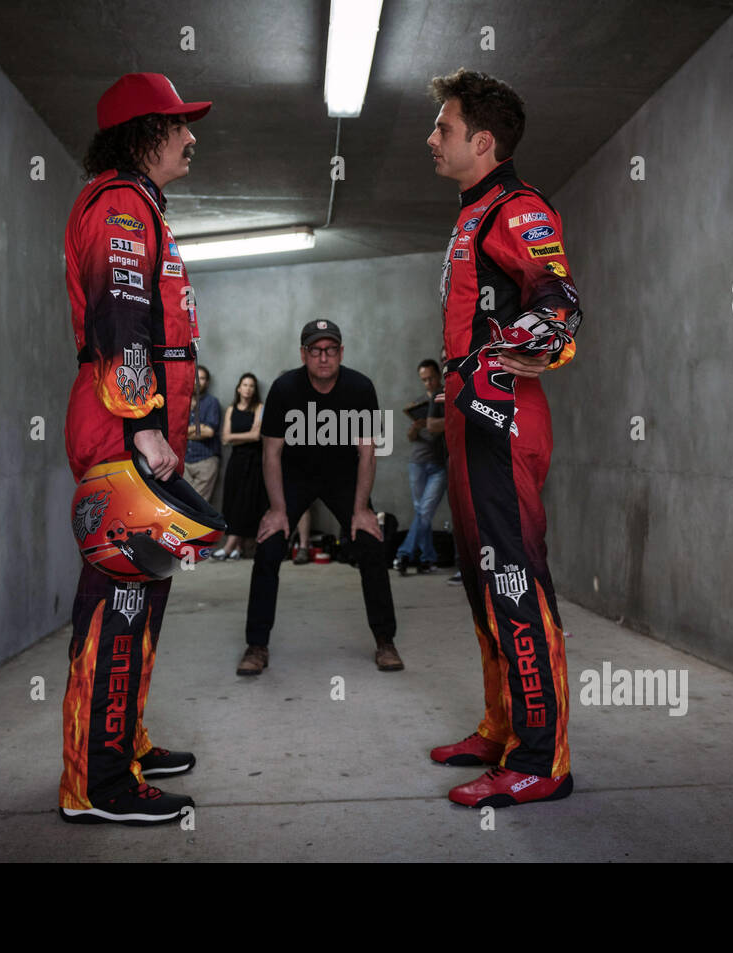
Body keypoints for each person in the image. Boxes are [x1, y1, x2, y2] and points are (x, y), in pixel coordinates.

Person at [425, 68, 584, 809]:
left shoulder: (518, 208)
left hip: (505, 414)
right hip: (467, 414)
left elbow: (557, 295)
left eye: (444, 128)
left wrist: (540, 334)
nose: (433, 139)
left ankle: (540, 758)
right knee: (483, 578)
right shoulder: (471, 211)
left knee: (517, 581)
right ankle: (501, 724)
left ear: (482, 142)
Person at [59, 72, 211, 825]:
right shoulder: (120, 204)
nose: (191, 138)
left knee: (141, 599)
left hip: (140, 429)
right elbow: (120, 314)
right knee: (117, 604)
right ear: (144, 132)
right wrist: (144, 425)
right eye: (179, 125)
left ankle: (124, 741)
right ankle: (99, 781)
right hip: (125, 429)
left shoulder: (143, 206)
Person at [237, 320, 401, 675]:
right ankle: (256, 644)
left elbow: (367, 452)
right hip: (296, 476)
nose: (323, 357)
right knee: (268, 544)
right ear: (303, 354)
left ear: (341, 352)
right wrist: (278, 510)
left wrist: (360, 510)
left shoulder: (359, 388)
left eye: (330, 350)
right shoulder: (284, 389)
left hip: (343, 476)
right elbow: (271, 454)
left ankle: (385, 641)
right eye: (316, 350)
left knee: (372, 541)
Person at [394, 359, 447, 575]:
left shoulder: (445, 399)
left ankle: (404, 554)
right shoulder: (418, 403)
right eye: (424, 380)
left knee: (424, 511)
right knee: (420, 511)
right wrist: (415, 428)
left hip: (439, 464)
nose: (428, 383)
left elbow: (439, 433)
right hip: (417, 462)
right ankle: (427, 558)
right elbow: (411, 437)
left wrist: (430, 425)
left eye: (431, 378)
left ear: (439, 376)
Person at [213, 373, 267, 560]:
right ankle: (237, 546)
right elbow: (225, 438)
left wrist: (237, 437)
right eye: (245, 384)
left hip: (254, 462)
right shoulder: (230, 409)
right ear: (238, 388)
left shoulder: (259, 408)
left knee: (246, 503)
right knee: (232, 501)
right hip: (236, 461)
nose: (248, 388)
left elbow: (256, 436)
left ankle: (229, 547)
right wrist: (245, 435)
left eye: (251, 385)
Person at [185, 364, 222, 501]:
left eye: (201, 378)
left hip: (205, 460)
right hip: (184, 461)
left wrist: (186, 431)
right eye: (195, 378)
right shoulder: (182, 402)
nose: (197, 381)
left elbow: (209, 432)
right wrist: (199, 426)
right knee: (182, 503)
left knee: (199, 505)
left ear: (206, 382)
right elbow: (175, 432)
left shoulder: (212, 402)